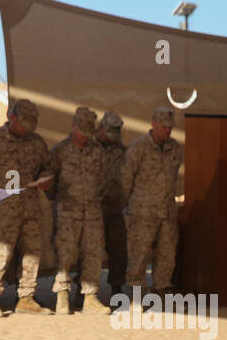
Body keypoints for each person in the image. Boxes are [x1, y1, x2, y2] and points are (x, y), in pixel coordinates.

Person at [0, 99, 52, 317]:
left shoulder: (37, 142)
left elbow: (47, 166)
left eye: (31, 124)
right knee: (0, 252)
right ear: (12, 117)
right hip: (3, 209)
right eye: (24, 122)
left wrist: (45, 178)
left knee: (32, 252)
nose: (28, 128)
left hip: (30, 207)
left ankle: (26, 298)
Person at [50, 107, 111, 314]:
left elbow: (103, 180)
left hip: (92, 212)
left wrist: (94, 199)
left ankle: (90, 297)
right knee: (65, 254)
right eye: (81, 130)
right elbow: (50, 184)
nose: (85, 136)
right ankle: (62, 295)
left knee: (93, 254)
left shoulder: (98, 152)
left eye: (88, 132)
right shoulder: (59, 152)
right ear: (73, 126)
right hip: (67, 211)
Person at [123, 107, 184, 299]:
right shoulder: (138, 147)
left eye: (170, 127)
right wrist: (125, 208)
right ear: (153, 124)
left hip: (167, 212)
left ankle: (162, 289)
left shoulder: (175, 148)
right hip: (143, 212)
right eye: (164, 126)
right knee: (139, 254)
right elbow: (125, 178)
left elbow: (176, 178)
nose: (168, 130)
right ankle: (136, 292)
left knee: (167, 254)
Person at [96, 111, 128, 295]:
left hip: (115, 208)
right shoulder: (89, 148)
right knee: (88, 252)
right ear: (100, 129)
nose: (112, 138)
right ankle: (82, 289)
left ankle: (116, 285)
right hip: (94, 209)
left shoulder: (121, 151)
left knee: (118, 250)